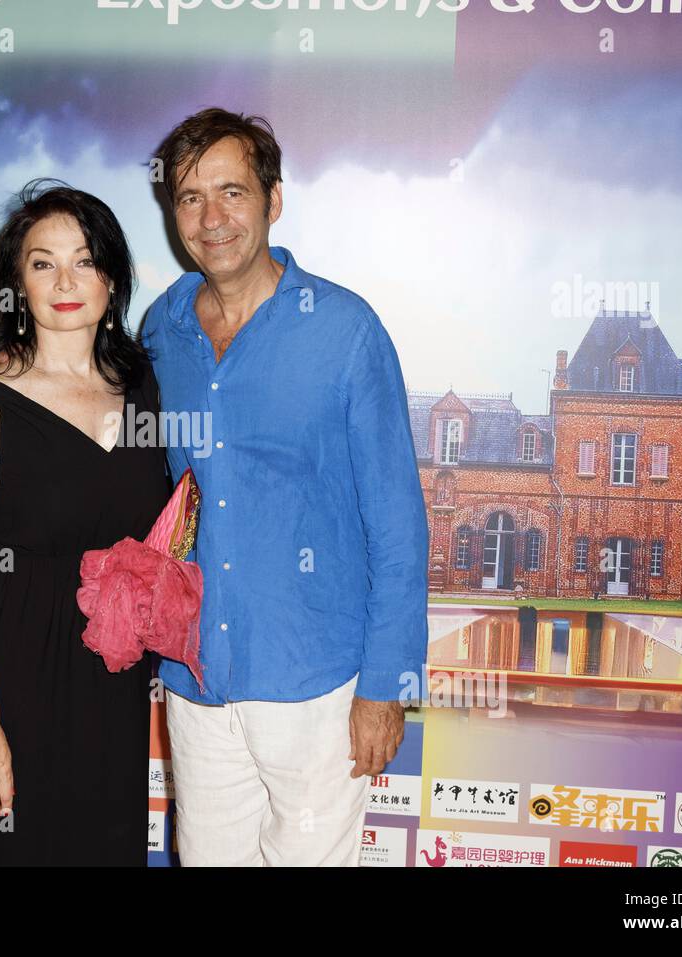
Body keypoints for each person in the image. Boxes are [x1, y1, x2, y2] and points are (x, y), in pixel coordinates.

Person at [142, 108, 429, 866]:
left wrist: (385, 684)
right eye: (190, 197)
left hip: (318, 688)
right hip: (197, 680)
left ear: (273, 200)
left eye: (232, 191)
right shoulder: (160, 330)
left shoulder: (344, 331)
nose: (211, 218)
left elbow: (398, 524)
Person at [0, 180, 170, 865]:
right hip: (12, 683)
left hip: (111, 685)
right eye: (42, 262)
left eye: (84, 259)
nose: (65, 280)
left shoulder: (145, 390)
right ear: (16, 282)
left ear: (113, 277)